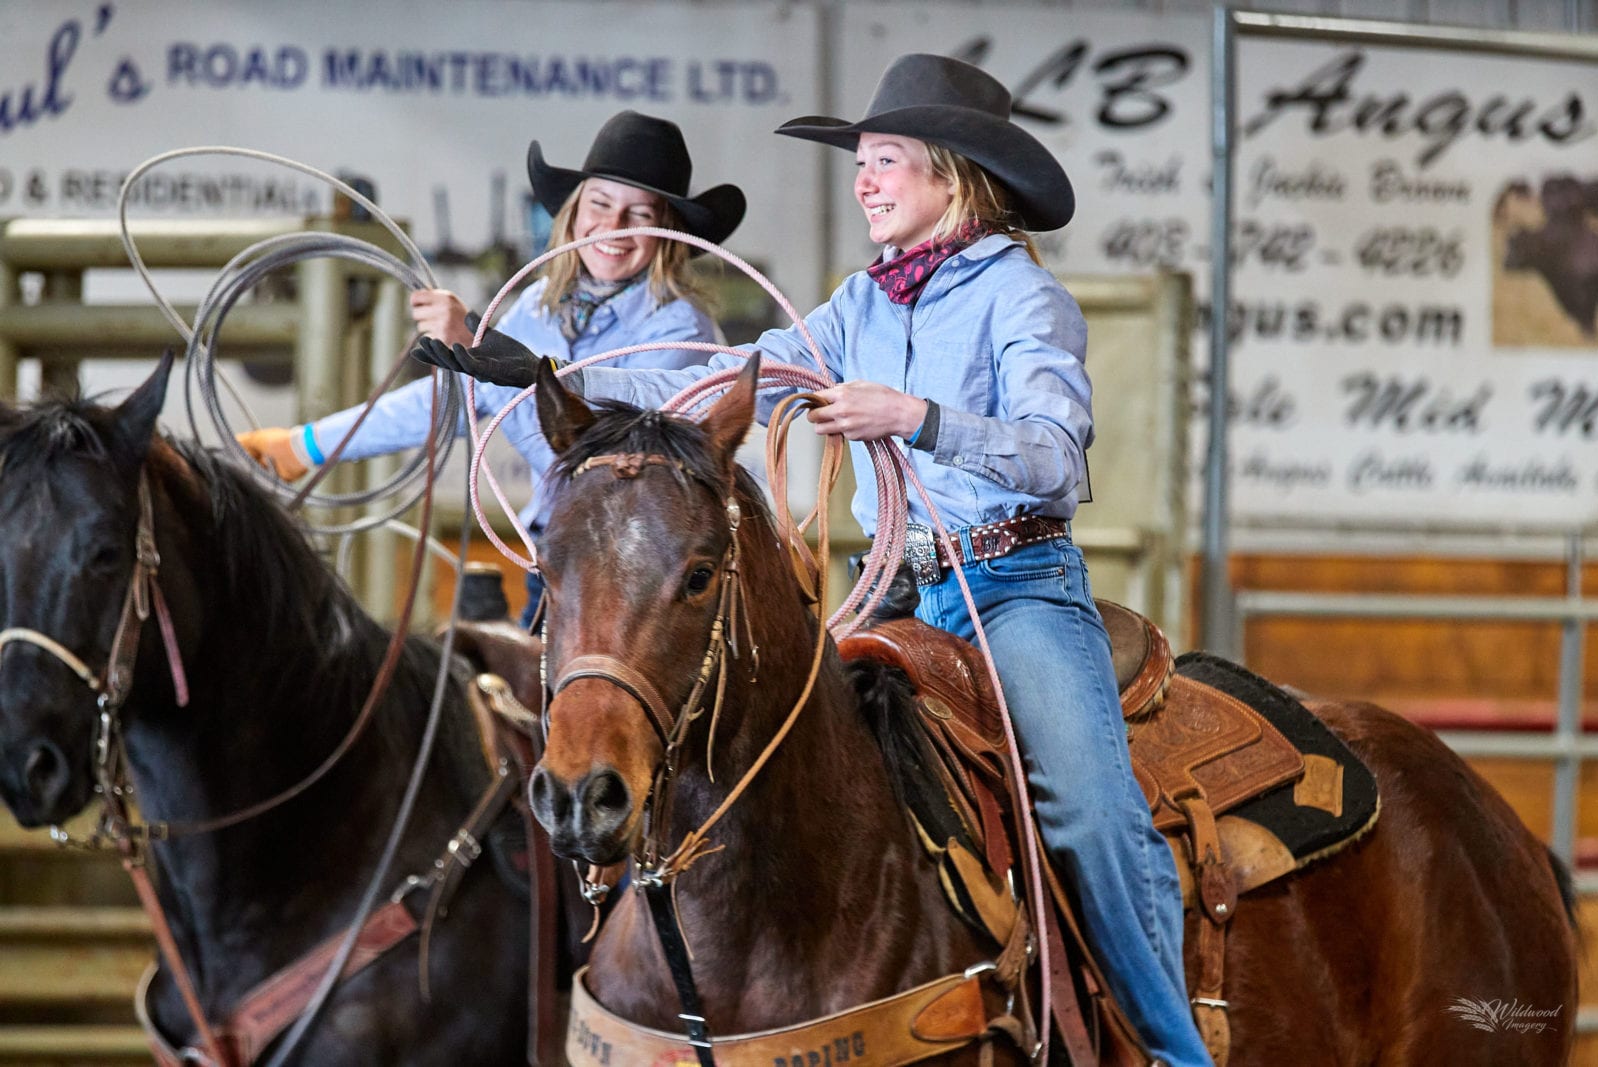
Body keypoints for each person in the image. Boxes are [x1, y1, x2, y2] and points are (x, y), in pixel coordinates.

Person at [416, 54, 1211, 1066]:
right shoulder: (861, 301)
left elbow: (1056, 456)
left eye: (884, 160)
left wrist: (914, 417)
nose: (864, 180)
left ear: (952, 175)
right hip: (904, 587)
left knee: (1090, 811)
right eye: (863, 163)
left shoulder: (1023, 300)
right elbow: (710, 379)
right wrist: (510, 367)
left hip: (1015, 586)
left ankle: (1177, 1050)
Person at [237, 110, 746, 626]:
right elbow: (455, 401)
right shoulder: (541, 305)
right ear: (573, 211)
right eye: (600, 203)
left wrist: (479, 348)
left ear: (668, 231)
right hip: (562, 559)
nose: (612, 227)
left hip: (641, 583)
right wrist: (308, 444)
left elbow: (592, 451)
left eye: (639, 214)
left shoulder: (681, 330)